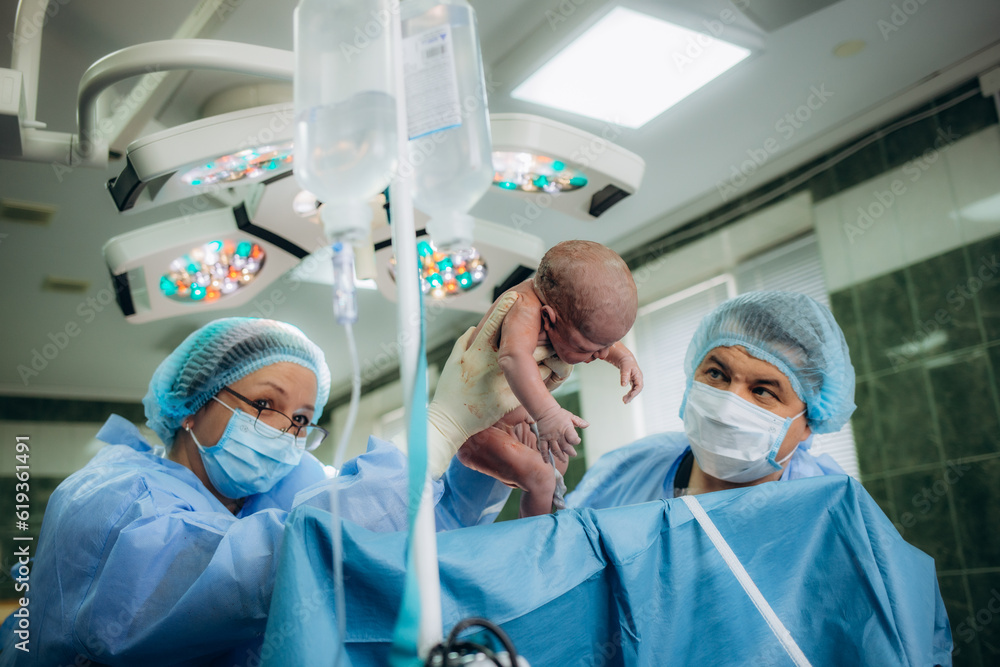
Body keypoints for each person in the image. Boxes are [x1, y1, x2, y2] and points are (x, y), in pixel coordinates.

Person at [1, 303, 566, 666]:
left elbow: (400, 541)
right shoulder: (114, 499)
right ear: (193, 406)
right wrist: (437, 431)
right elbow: (258, 564)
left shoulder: (273, 491)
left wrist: (473, 464)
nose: (283, 430)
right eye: (264, 404)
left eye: (300, 419)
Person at [566, 291, 854, 509]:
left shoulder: (829, 515)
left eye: (762, 391)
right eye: (716, 374)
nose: (727, 408)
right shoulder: (630, 470)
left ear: (809, 421)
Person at [473, 240, 643, 464]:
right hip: (482, 422)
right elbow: (513, 358)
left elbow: (597, 338)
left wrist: (624, 358)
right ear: (549, 318)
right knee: (539, 476)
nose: (603, 354)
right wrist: (548, 413)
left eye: (609, 345)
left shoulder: (564, 315)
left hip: (519, 415)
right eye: (586, 348)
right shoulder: (523, 306)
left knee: (559, 462)